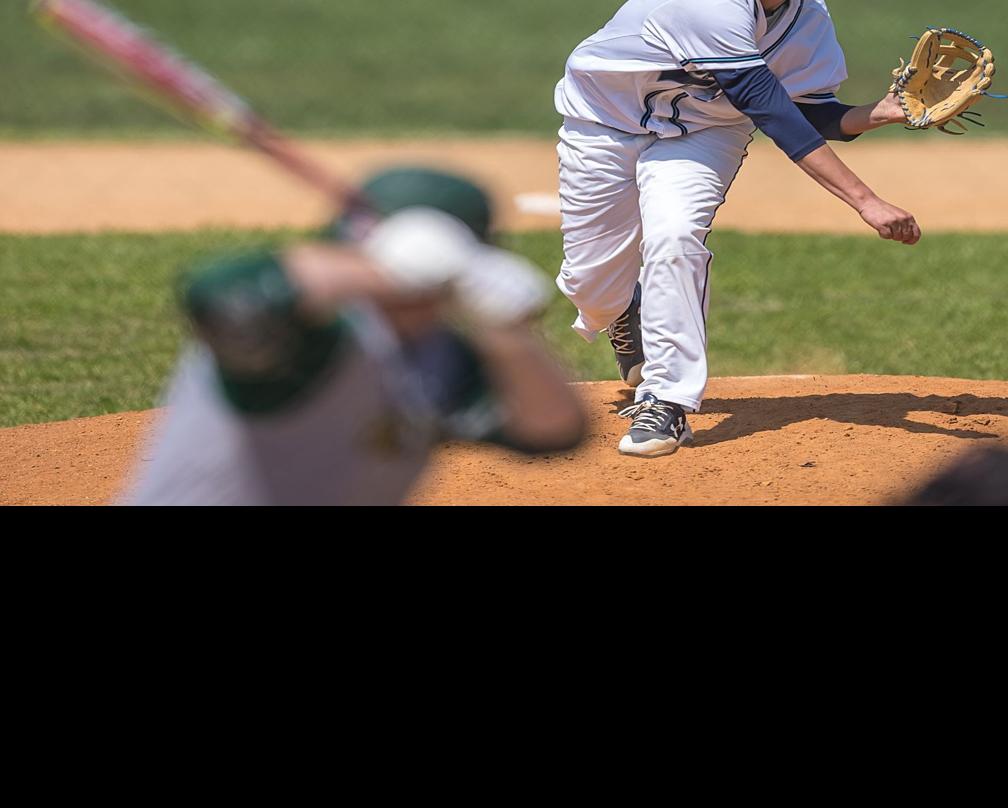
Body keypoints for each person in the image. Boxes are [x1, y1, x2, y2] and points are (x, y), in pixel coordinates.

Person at [553, 0, 919, 457]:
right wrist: (866, 201)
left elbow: (807, 110)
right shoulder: (707, 6)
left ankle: (666, 400)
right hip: (601, 121)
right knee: (592, 286)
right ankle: (627, 306)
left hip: (706, 132)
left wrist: (877, 112)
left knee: (676, 235)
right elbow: (769, 110)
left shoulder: (809, 18)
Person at [123, 167, 587, 505]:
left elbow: (553, 432)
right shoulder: (306, 338)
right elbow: (220, 296)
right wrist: (382, 274)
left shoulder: (438, 359)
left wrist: (509, 334)